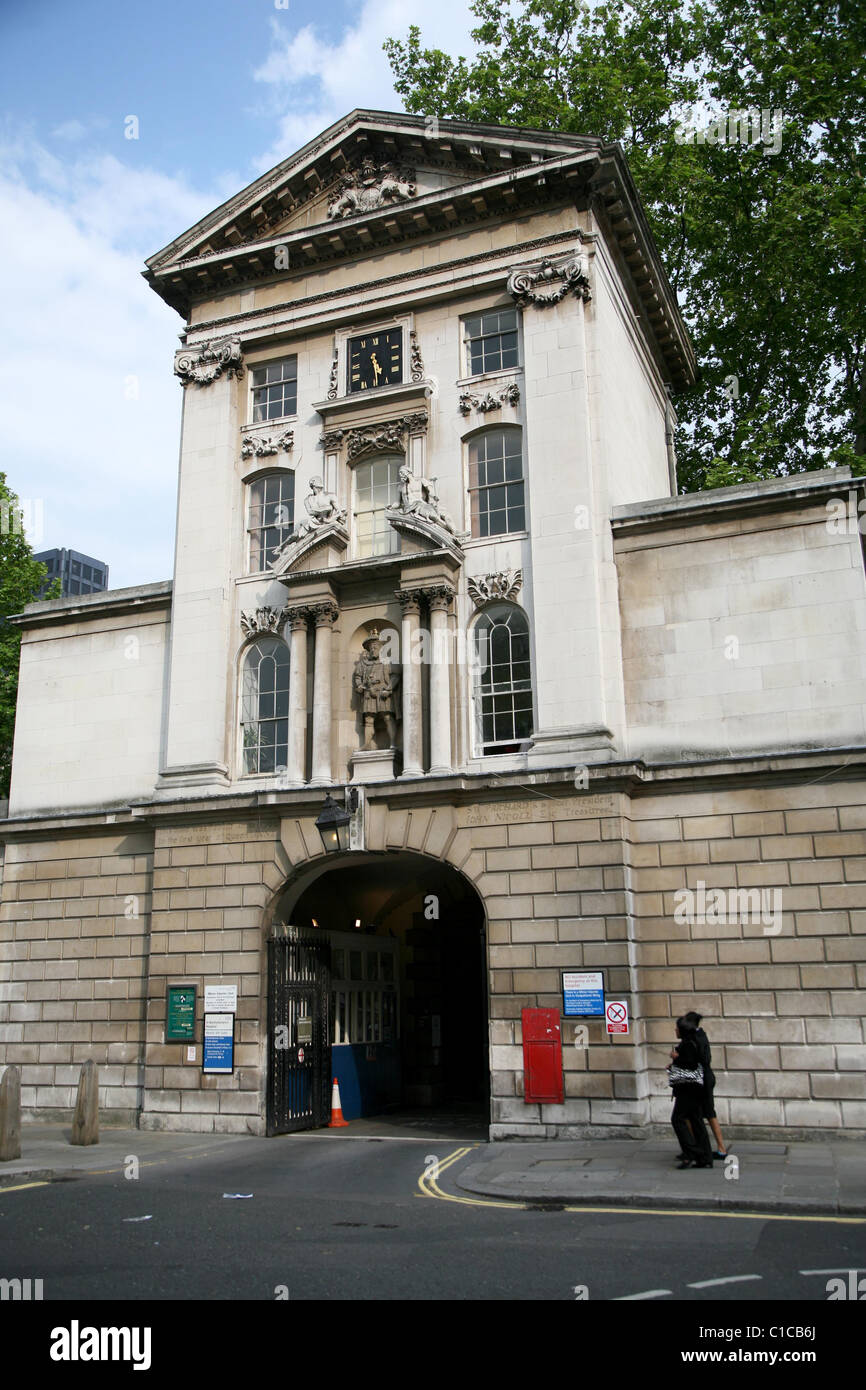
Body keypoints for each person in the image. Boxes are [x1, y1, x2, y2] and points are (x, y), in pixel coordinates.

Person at [683, 1010, 730, 1160]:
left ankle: (698, 1148)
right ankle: (716, 1148)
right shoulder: (701, 1035)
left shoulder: (695, 1038)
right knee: (707, 1113)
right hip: (705, 1078)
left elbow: (700, 1060)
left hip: (701, 1080)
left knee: (698, 1114)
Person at [668, 1018, 714, 1169]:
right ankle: (705, 1157)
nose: (675, 1031)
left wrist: (676, 1059)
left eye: (677, 1028)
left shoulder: (688, 1044)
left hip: (688, 1089)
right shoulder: (696, 1040)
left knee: (677, 1119)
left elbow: (690, 1064)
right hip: (697, 1088)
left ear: (683, 1030)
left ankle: (691, 1152)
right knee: (696, 1121)